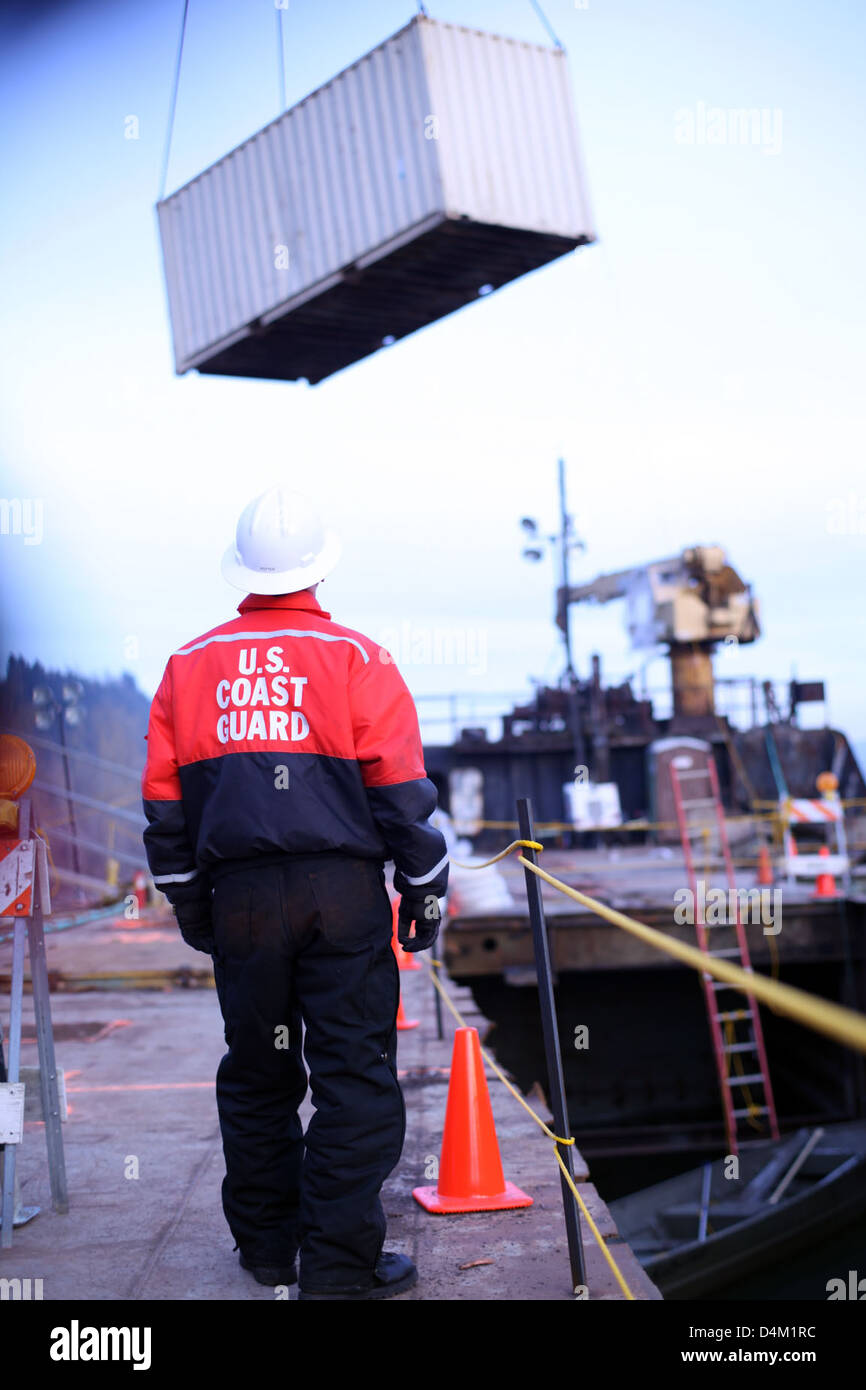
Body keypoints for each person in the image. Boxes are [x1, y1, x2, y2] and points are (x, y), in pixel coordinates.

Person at [141, 486, 449, 1300]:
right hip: (341, 896)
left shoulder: (187, 665)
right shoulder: (359, 658)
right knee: (354, 1079)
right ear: (321, 565)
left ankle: (270, 1252)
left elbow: (164, 808)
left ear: (241, 569)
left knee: (258, 1076)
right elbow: (401, 788)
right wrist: (423, 888)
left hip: (241, 900)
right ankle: (340, 1271)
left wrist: (189, 902)